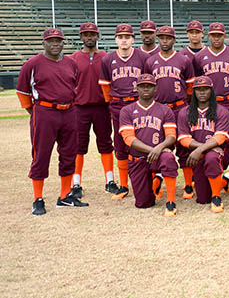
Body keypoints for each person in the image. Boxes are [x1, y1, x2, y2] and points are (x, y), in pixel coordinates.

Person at [17, 28, 88, 215]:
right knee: (41, 154)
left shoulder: (71, 63)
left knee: (69, 153)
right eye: (51, 41)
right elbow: (23, 93)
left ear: (63, 43)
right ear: (44, 43)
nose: (55, 44)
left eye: (59, 41)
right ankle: (37, 199)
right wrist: (36, 112)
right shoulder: (32, 64)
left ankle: (64, 196)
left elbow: (74, 86)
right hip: (44, 111)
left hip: (69, 111)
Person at [193, 22, 229, 193]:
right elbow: (196, 83)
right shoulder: (199, 56)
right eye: (213, 35)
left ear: (225, 36)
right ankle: (210, 176)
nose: (216, 38)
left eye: (219, 35)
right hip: (208, 103)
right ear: (208, 36)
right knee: (208, 139)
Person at [99, 23, 150, 200]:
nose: (124, 40)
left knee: (143, 140)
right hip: (118, 105)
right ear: (115, 40)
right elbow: (105, 86)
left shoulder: (142, 57)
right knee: (120, 144)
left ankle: (148, 181)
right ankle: (123, 185)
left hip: (139, 103)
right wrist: (112, 103)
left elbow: (149, 83)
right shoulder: (107, 59)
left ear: (133, 39)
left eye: (127, 37)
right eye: (120, 37)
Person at [145, 25, 195, 199]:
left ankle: (188, 184)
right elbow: (147, 86)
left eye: (168, 38)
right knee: (155, 143)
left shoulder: (184, 60)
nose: (165, 41)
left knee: (183, 145)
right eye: (162, 38)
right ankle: (156, 180)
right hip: (158, 107)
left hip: (179, 106)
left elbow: (190, 87)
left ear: (174, 40)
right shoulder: (151, 61)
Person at [118, 74, 179, 216]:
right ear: (136, 88)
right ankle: (156, 180)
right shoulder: (126, 110)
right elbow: (129, 139)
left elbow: (171, 136)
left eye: (149, 86)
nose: (146, 89)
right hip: (138, 158)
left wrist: (159, 149)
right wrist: (154, 150)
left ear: (155, 89)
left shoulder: (165, 110)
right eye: (142, 86)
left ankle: (170, 202)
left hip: (159, 156)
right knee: (143, 203)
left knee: (168, 158)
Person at [69, 22, 117, 197]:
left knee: (105, 143)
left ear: (98, 36)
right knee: (78, 146)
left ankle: (109, 180)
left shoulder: (106, 57)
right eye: (86, 34)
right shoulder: (73, 58)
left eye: (92, 34)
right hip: (79, 108)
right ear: (81, 37)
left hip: (102, 107)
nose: (89, 37)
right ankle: (76, 183)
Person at [177, 75, 229, 213]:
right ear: (193, 92)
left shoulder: (221, 111)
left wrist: (199, 149)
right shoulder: (185, 112)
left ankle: (217, 197)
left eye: (205, 89)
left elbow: (220, 137)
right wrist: (200, 150)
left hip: (218, 155)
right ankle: (225, 181)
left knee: (212, 157)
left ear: (211, 91)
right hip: (198, 157)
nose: (201, 92)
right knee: (202, 198)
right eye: (198, 89)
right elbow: (184, 138)